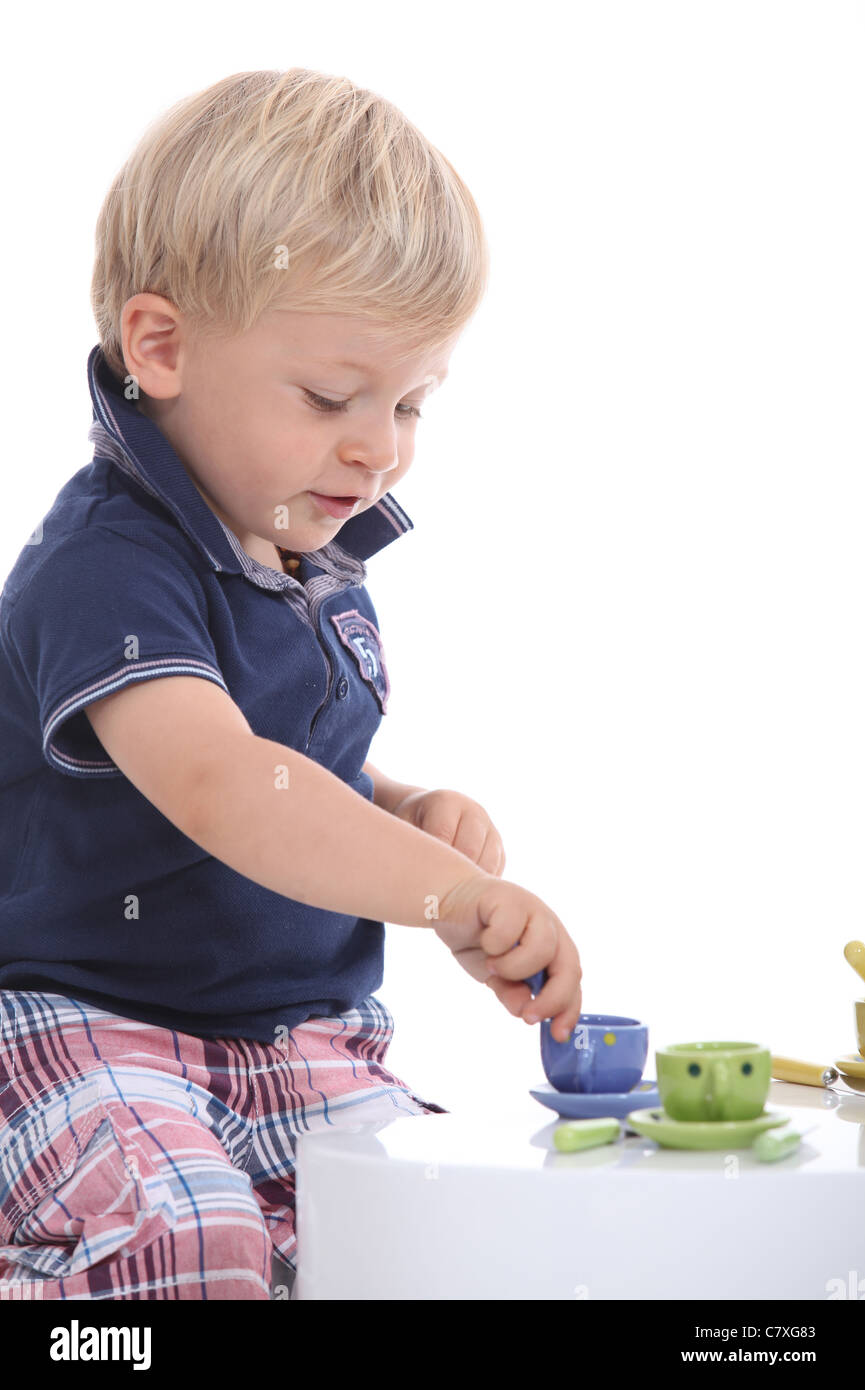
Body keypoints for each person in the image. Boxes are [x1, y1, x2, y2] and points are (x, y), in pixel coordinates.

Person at [0, 67, 582, 1300]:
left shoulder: (299, 550)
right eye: (330, 397)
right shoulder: (107, 566)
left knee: (426, 1243)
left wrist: (400, 805)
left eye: (411, 401)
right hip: (90, 1028)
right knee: (187, 1249)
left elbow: (294, 760)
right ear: (159, 346)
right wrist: (449, 894)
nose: (379, 445)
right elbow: (221, 781)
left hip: (301, 1036)